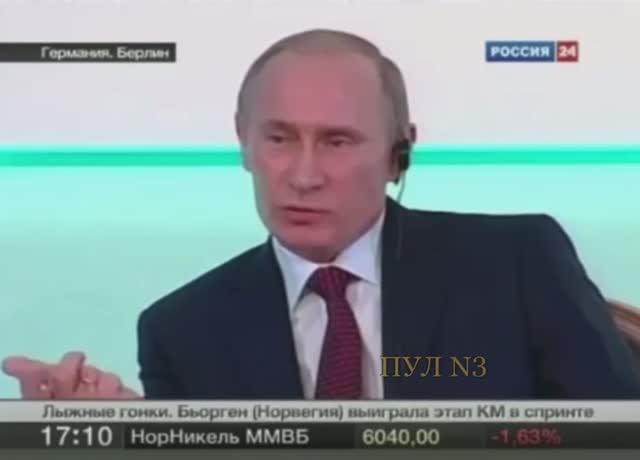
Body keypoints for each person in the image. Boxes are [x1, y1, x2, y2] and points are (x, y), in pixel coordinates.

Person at [3, 29, 639, 400]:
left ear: (398, 154)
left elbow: (616, 434)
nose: (304, 175)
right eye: (279, 138)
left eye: (338, 141)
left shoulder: (514, 263)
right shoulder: (183, 330)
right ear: (243, 141)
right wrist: (122, 436)